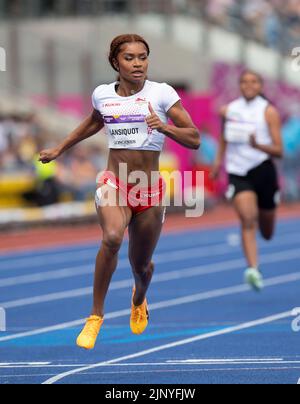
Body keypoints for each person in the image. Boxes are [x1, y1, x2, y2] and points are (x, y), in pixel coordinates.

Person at [39, 34, 200, 350]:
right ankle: (95, 316)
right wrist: (59, 148)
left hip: (149, 190)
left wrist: (165, 127)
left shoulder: (162, 94)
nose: (138, 63)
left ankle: (139, 295)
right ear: (115, 62)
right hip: (115, 181)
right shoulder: (102, 94)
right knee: (112, 237)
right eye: (130, 58)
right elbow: (93, 123)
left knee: (141, 265)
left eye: (143, 57)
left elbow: (193, 138)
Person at [211, 70, 283, 292]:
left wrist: (257, 145)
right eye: (244, 82)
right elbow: (224, 138)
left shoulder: (268, 111)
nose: (248, 85)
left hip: (263, 169)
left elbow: (278, 150)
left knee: (267, 232)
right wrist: (217, 163)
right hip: (238, 172)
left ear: (261, 86)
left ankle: (270, 205)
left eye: (253, 81)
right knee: (247, 218)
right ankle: (253, 268)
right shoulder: (230, 109)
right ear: (239, 85)